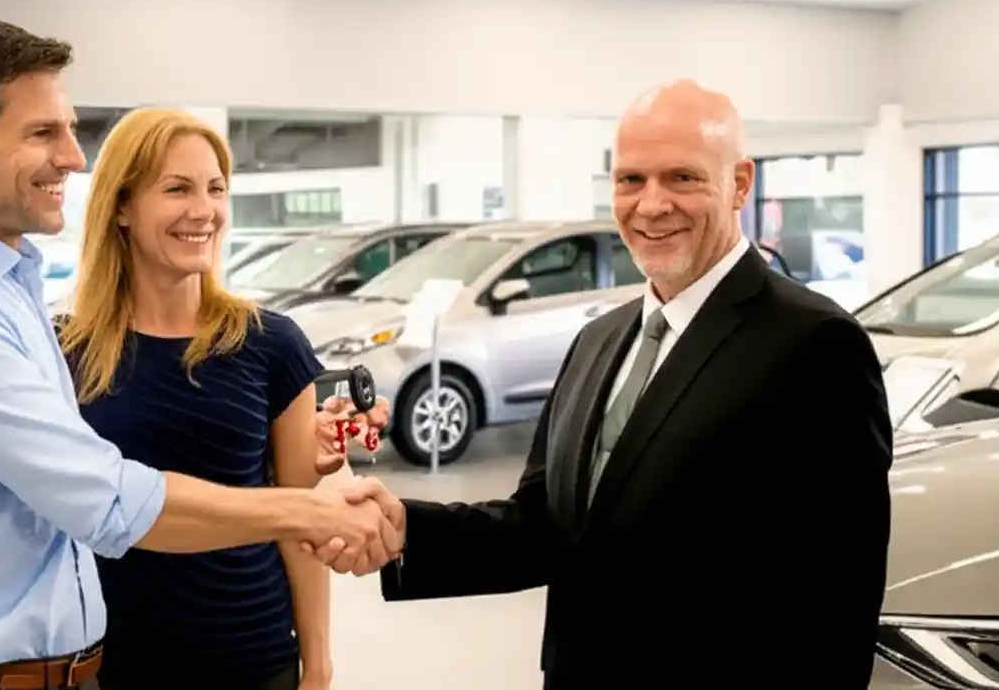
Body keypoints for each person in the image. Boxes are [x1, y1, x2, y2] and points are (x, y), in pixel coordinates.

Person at [0, 18, 399, 690]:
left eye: (216, 188)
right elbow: (102, 499)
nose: (74, 157)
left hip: (154, 662)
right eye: (42, 132)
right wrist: (304, 509)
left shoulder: (8, 292)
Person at [322, 80, 894, 688]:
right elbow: (545, 525)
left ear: (740, 185)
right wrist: (407, 528)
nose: (651, 205)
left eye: (682, 178)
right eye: (630, 180)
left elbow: (839, 604)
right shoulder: (601, 340)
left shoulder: (814, 344)